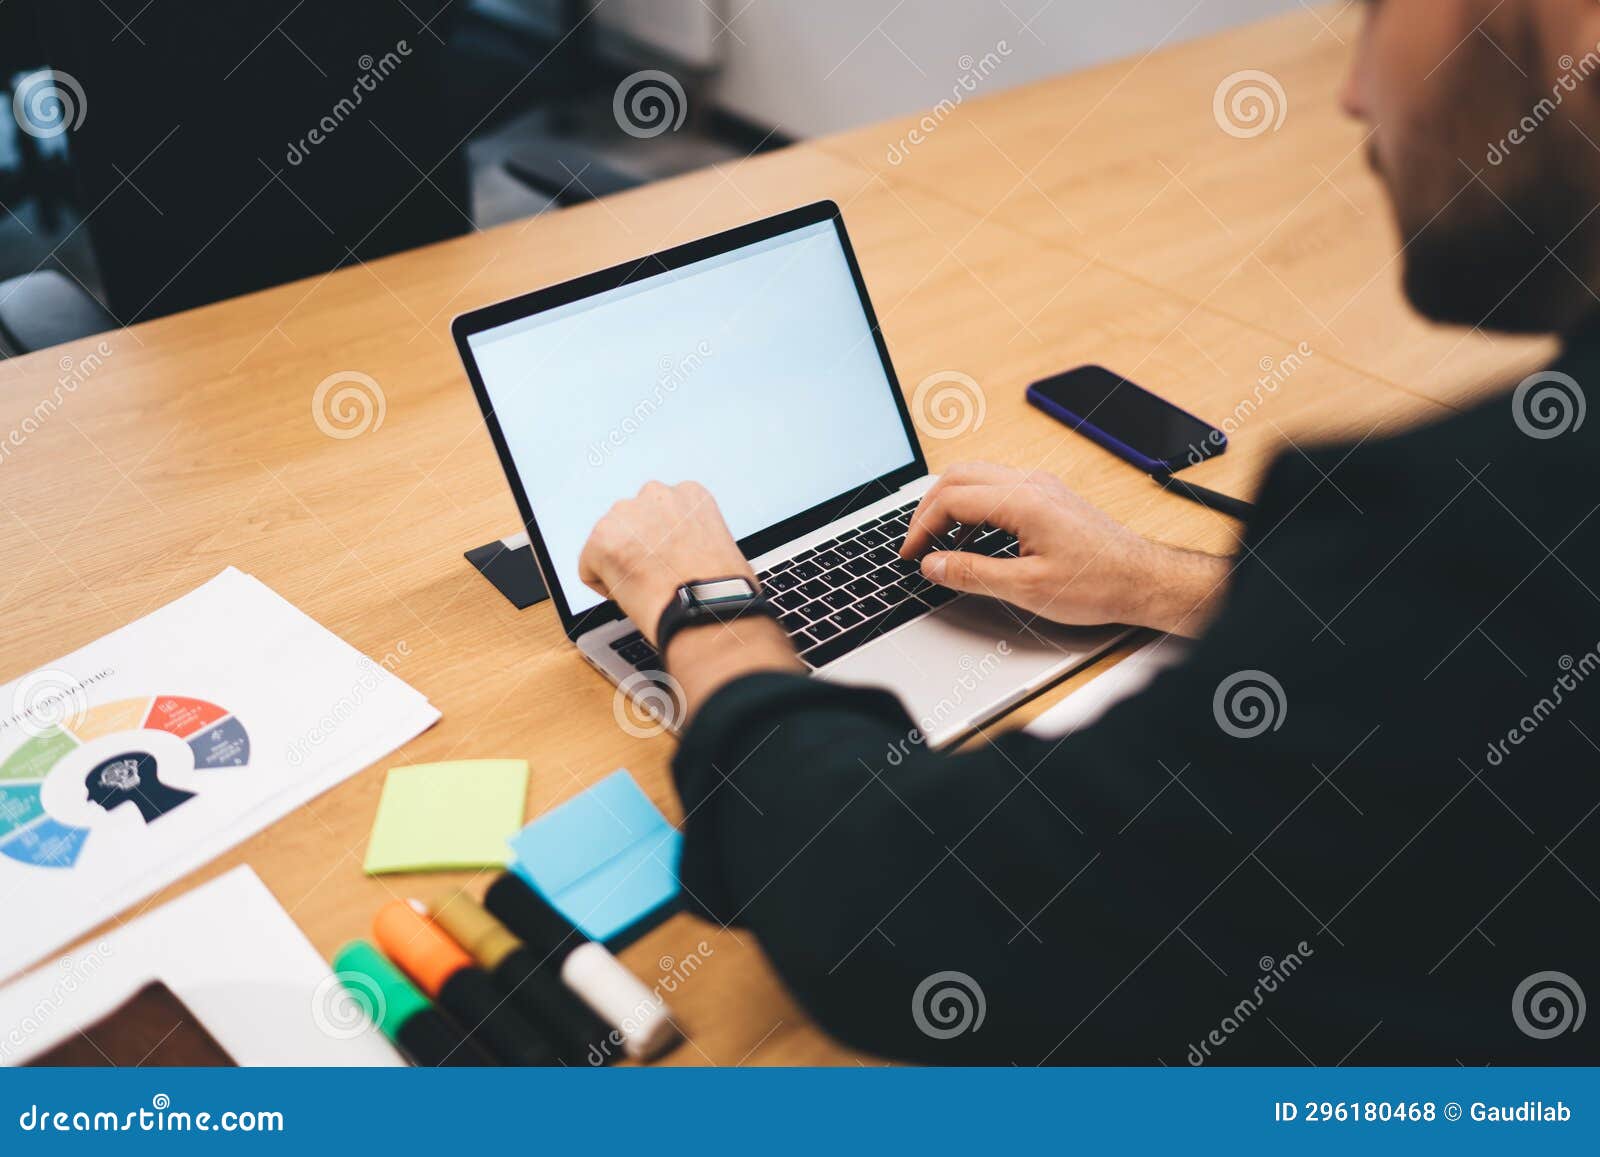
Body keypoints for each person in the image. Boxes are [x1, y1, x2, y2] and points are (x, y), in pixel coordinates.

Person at [578, 0, 1599, 1064]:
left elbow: (923, 918)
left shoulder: (1503, 522)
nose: (1349, 91)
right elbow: (1432, 656)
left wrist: (712, 611)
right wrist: (1159, 580)